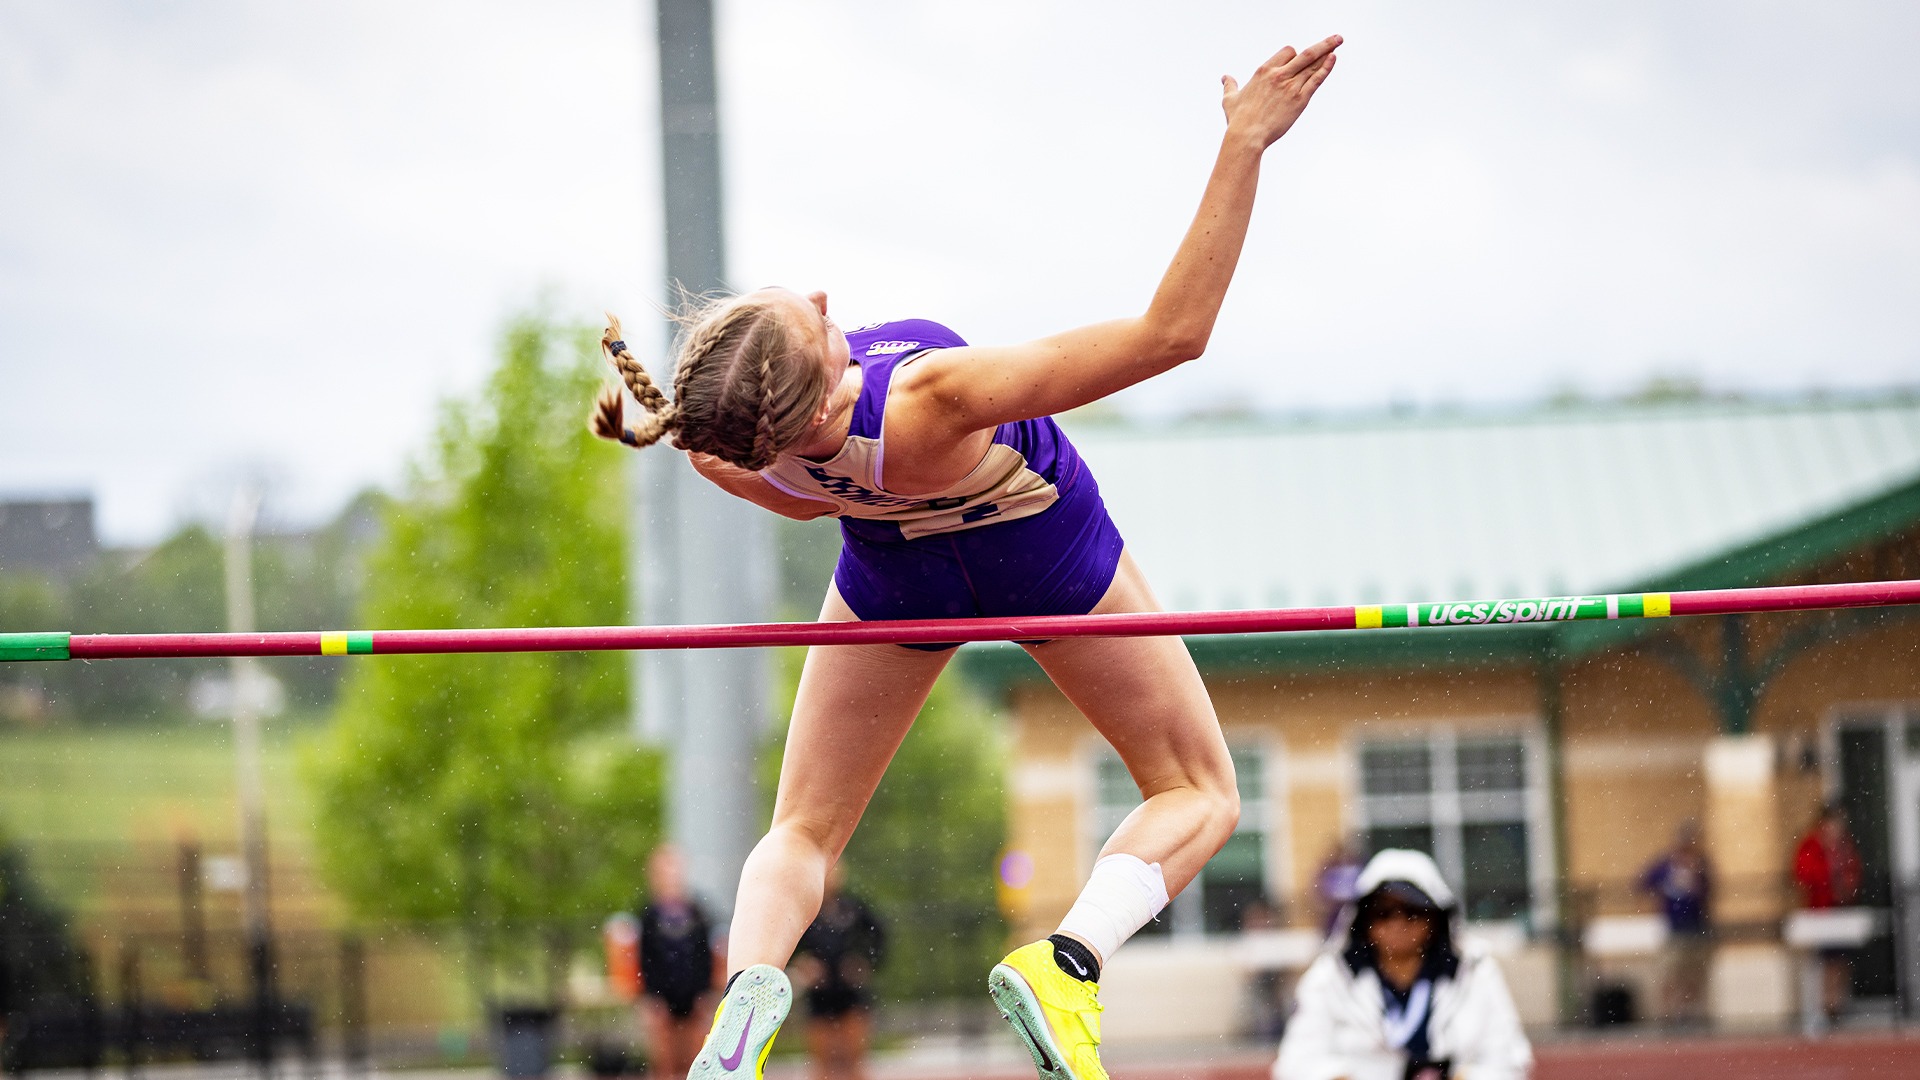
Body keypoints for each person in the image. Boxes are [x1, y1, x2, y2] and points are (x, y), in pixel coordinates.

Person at [591, 34, 1342, 1080]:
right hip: (1042, 552)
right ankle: (1067, 963)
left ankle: (748, 996)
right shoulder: (936, 394)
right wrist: (1245, 145)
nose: (817, 295)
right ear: (826, 342)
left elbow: (799, 507)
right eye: (810, 308)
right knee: (1200, 790)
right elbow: (1172, 335)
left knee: (804, 831)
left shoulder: (744, 450)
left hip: (893, 575)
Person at [1274, 850, 1531, 1080]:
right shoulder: (1330, 977)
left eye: (1412, 911)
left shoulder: (1475, 972)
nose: (1398, 924)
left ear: (1436, 917)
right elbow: (1295, 1064)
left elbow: (1510, 1059)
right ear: (1362, 919)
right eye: (1382, 913)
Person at [793, 864, 886, 1080]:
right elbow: (788, 945)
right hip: (820, 995)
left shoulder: (853, 909)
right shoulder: (806, 911)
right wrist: (802, 966)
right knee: (822, 1063)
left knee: (855, 1060)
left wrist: (865, 962)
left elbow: (879, 937)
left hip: (850, 994)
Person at [636, 846, 720, 1079]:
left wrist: (706, 991)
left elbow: (706, 953)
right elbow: (645, 959)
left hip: (693, 993)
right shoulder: (649, 914)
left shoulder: (697, 911)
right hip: (661, 995)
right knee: (664, 1060)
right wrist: (650, 996)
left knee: (696, 1059)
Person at [1792, 802, 1863, 1021]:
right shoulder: (1813, 844)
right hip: (1821, 911)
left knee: (1841, 960)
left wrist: (1848, 886)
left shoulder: (1844, 846)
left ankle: (1837, 1003)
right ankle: (1824, 1005)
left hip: (1841, 910)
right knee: (1823, 961)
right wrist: (1829, 882)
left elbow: (1854, 870)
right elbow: (1804, 872)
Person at [1638, 821, 1713, 1025]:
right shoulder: (1666, 864)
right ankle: (1668, 1015)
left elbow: (1709, 890)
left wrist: (1697, 877)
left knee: (1694, 974)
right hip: (1673, 928)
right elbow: (1642, 883)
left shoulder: (1701, 864)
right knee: (1670, 973)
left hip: (1696, 927)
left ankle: (1689, 1014)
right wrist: (1661, 892)